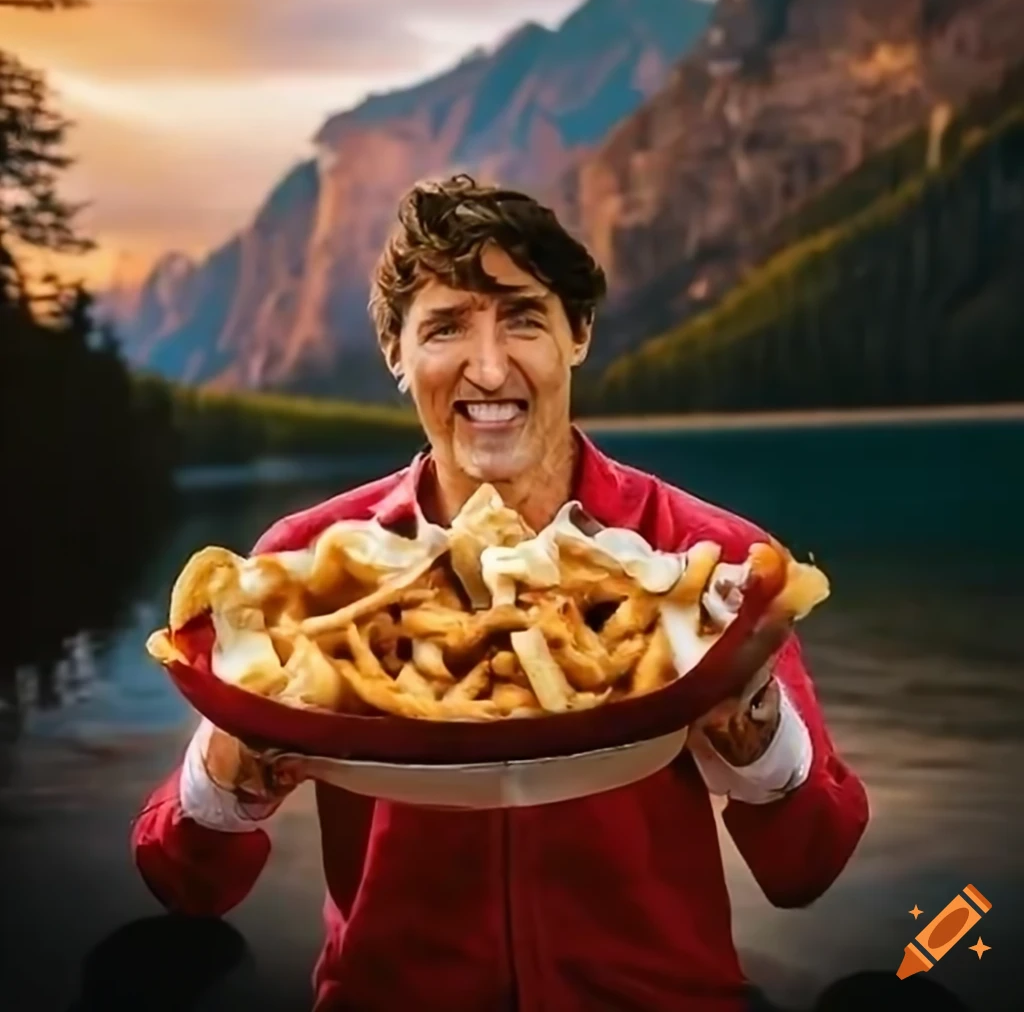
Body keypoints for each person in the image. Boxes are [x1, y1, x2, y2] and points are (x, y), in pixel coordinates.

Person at [132, 174, 870, 1012]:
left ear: (578, 335)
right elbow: (184, 880)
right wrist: (230, 767)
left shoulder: (713, 560)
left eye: (523, 318)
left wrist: (755, 732)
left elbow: (810, 864)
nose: (489, 368)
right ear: (397, 354)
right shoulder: (302, 570)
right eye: (446, 328)